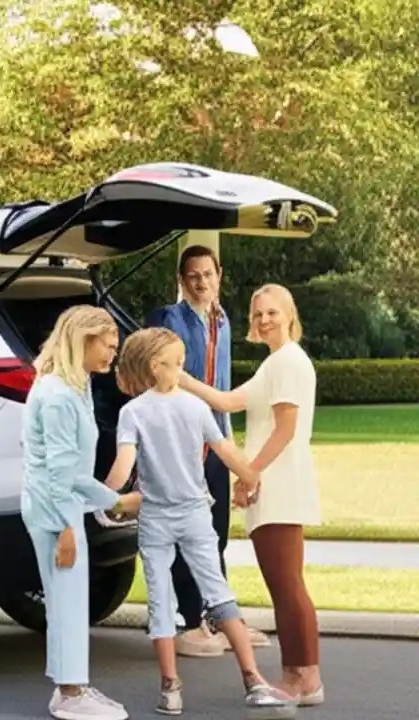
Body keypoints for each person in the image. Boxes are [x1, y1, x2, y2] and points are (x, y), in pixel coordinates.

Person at [103, 327, 294, 717]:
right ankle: (253, 679)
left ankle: (170, 688)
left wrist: (103, 498)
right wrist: (251, 477)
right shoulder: (195, 407)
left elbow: (122, 469)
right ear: (158, 367)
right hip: (194, 515)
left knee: (160, 601)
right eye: (178, 362)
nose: (184, 369)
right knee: (218, 593)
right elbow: (227, 452)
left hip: (155, 517)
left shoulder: (132, 412)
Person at [179, 283, 324, 707]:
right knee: (285, 585)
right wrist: (181, 377)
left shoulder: (289, 363)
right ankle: (298, 675)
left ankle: (304, 679)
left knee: (288, 587)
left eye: (272, 313)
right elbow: (225, 400)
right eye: (258, 314)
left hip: (277, 485)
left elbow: (285, 430)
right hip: (271, 485)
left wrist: (249, 476)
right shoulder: (275, 364)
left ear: (289, 315)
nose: (263, 320)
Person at [145, 244, 271, 656]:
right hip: (180, 442)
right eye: (193, 275)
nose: (201, 281)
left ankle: (219, 615)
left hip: (213, 440)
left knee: (214, 532)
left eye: (208, 273)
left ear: (220, 275)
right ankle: (191, 618)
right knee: (186, 531)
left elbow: (221, 379)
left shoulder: (222, 322)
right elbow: (162, 374)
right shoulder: (168, 320)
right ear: (182, 281)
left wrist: (228, 437)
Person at [21, 305, 143, 720]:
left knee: (67, 600)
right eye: (107, 346)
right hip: (54, 509)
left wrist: (113, 501)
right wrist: (70, 527)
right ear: (82, 340)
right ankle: (71, 695)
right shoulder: (56, 394)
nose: (113, 354)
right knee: (68, 602)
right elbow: (61, 473)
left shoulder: (77, 386)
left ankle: (70, 686)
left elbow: (73, 472)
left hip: (63, 504)